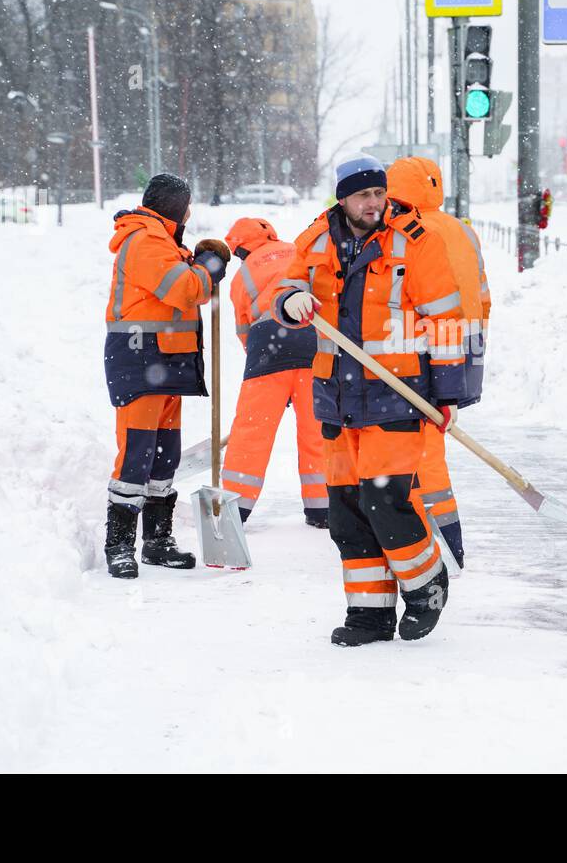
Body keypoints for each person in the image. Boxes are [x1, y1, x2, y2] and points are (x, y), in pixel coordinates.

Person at [272, 153, 466, 646]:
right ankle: (369, 615)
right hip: (337, 398)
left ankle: (426, 586)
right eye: (364, 195)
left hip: (398, 395)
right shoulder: (315, 241)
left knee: (385, 501)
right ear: (343, 198)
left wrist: (449, 393)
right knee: (348, 511)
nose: (375, 203)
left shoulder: (413, 243)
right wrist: (289, 301)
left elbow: (445, 317)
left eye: (380, 194)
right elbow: (287, 286)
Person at [103, 173, 231, 578]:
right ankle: (119, 546)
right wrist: (209, 267)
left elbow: (190, 285)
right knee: (136, 455)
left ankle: (157, 542)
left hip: (167, 363)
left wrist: (201, 266)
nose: (191, 213)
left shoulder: (165, 243)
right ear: (178, 208)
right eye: (188, 206)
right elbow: (184, 289)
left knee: (164, 456)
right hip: (140, 361)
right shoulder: (144, 241)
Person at [386, 155, 491, 568]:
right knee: (429, 441)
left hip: (422, 350)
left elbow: (407, 303)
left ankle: (440, 539)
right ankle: (435, 533)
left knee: (421, 449)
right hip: (464, 349)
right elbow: (482, 295)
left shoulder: (407, 234)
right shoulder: (464, 232)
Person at [220, 216, 327, 527]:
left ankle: (235, 508)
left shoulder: (244, 274)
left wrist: (264, 366)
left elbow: (244, 327)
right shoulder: (295, 251)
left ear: (240, 249)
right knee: (316, 428)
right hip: (313, 338)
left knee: (252, 431)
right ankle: (322, 507)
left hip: (267, 346)